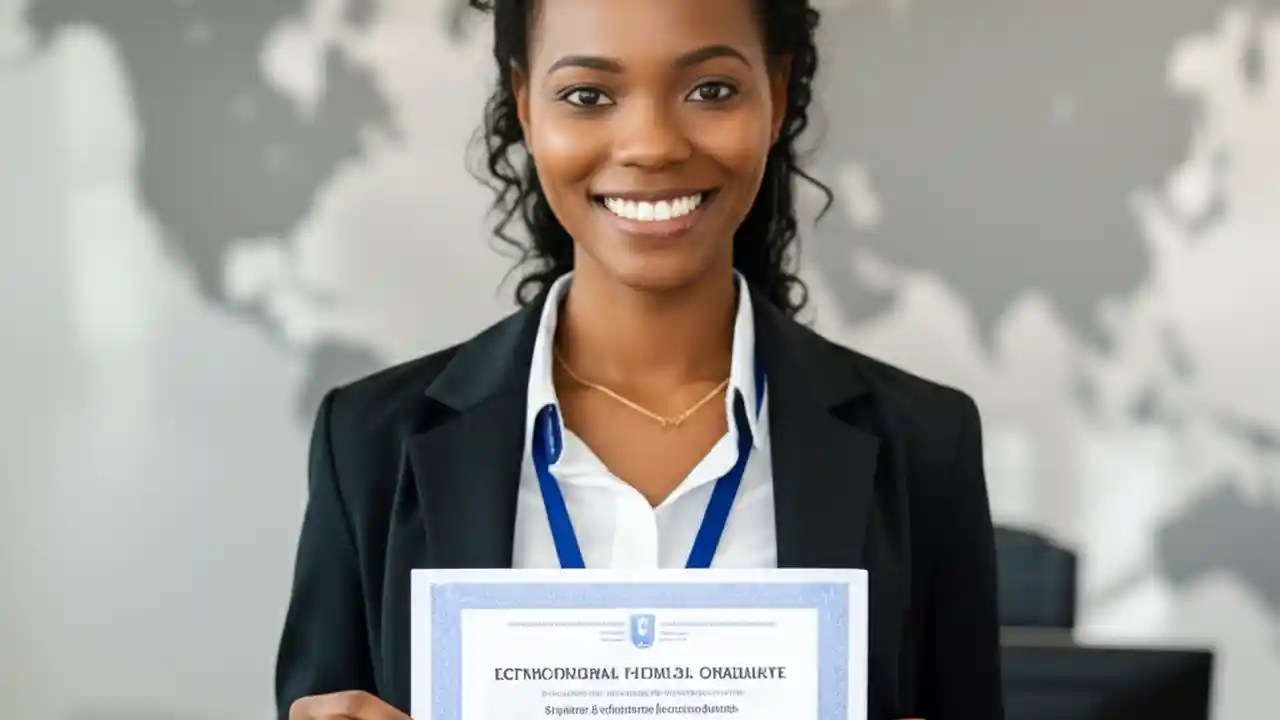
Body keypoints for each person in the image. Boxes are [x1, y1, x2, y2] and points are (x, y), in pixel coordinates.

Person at [276, 0, 1003, 718]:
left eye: (710, 90)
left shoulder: (926, 444)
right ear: (524, 103)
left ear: (776, 95)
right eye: (587, 95)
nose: (652, 144)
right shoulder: (367, 445)